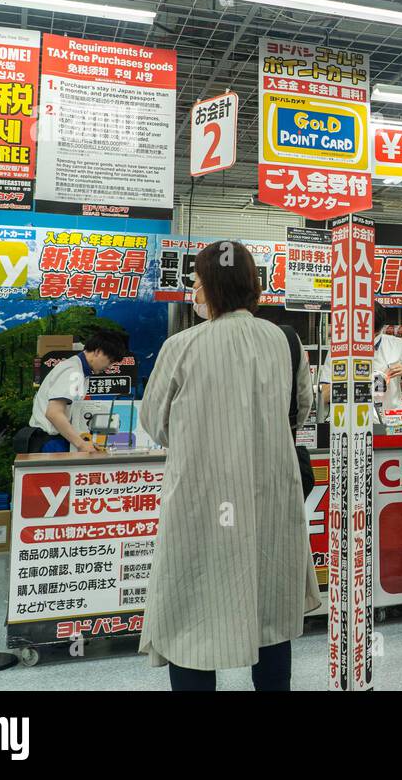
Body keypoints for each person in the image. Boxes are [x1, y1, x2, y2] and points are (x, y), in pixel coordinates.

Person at [139, 240, 317, 691]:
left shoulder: (180, 346)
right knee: (272, 611)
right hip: (269, 493)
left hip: (201, 502)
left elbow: (154, 424)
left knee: (191, 617)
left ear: (209, 289)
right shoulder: (285, 341)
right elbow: (302, 407)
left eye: (197, 283)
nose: (195, 291)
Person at [318, 303, 402, 422]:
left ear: (381, 328)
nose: (368, 339)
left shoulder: (398, 345)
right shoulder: (339, 348)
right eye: (363, 333)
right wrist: (355, 383)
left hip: (390, 421)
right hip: (350, 423)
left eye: (373, 334)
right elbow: (323, 395)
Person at [25, 328, 129, 454]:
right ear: (98, 352)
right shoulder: (73, 372)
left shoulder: (81, 371)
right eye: (110, 361)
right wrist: (81, 444)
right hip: (50, 442)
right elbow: (54, 413)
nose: (110, 367)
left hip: (57, 439)